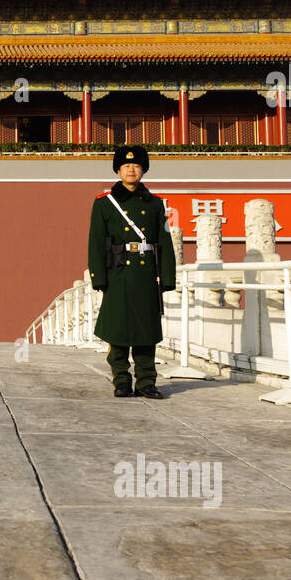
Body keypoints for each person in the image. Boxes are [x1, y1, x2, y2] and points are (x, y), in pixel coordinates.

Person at [87, 146, 176, 398]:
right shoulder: (105, 203)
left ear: (143, 170)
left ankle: (147, 381)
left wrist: (167, 277)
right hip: (118, 274)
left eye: (136, 166)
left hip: (146, 275)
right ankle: (121, 379)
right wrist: (99, 277)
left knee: (146, 331)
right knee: (118, 330)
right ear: (118, 170)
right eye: (126, 166)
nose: (131, 169)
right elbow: (96, 242)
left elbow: (164, 241)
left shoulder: (156, 204)